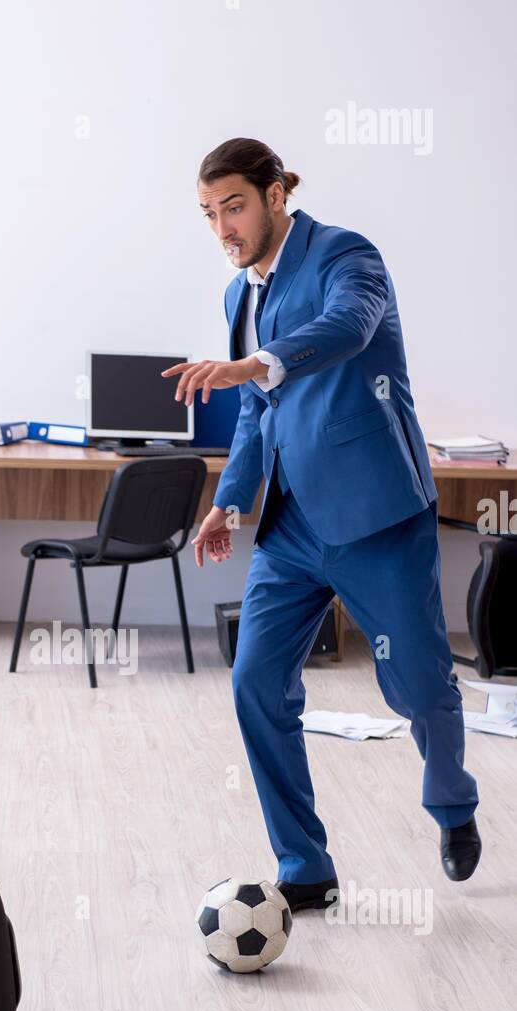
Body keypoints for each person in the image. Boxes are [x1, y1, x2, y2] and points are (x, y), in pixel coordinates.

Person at [162, 137, 480, 911]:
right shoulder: (238, 296)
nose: (222, 228)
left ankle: (451, 802)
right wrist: (229, 500)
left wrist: (253, 364)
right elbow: (257, 415)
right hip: (291, 527)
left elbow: (347, 328)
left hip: (376, 515)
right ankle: (303, 865)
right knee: (255, 682)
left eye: (233, 206)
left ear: (274, 195)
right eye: (208, 214)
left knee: (418, 687)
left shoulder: (345, 254)